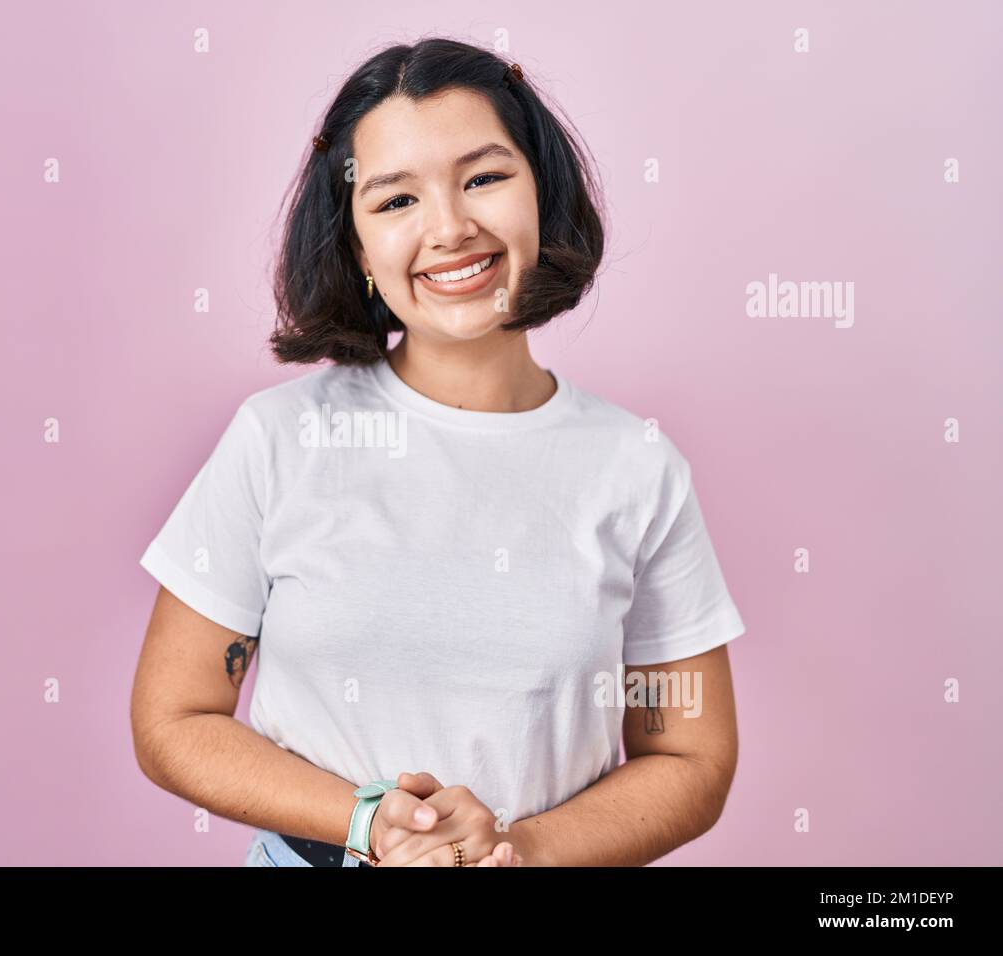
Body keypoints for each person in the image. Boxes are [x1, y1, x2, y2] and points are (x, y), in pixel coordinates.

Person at [130, 37, 747, 867]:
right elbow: (174, 718)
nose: (451, 228)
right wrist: (371, 821)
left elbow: (691, 759)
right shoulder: (277, 439)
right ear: (356, 249)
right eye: (394, 201)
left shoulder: (636, 468)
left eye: (485, 178)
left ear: (543, 193)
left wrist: (517, 849)